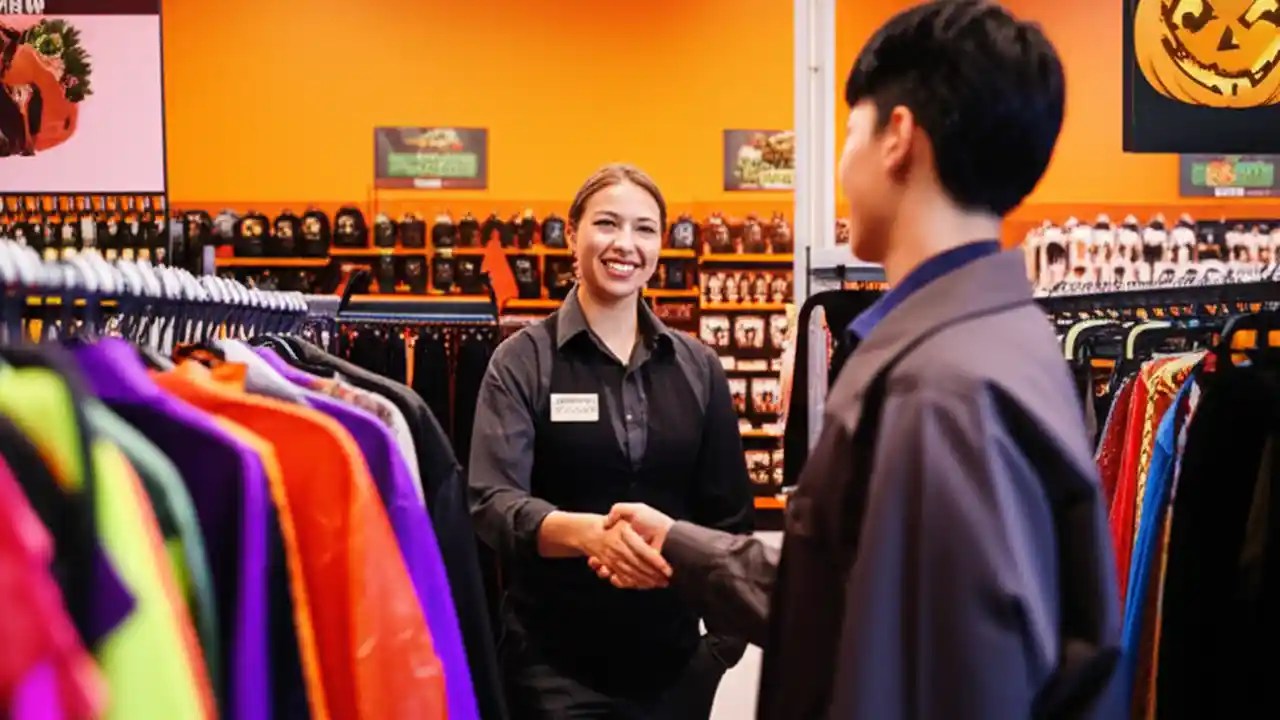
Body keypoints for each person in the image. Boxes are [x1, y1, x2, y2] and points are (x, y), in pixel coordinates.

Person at [588, 2, 1124, 719]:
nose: (841, 166)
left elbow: (954, 680)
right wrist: (687, 549)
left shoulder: (939, 388)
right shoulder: (987, 345)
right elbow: (860, 593)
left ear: (896, 138)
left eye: (849, 132)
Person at [468, 163, 754, 718]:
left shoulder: (698, 367)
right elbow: (491, 500)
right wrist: (586, 536)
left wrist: (718, 651)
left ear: (660, 245)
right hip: (552, 674)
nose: (625, 243)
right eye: (607, 223)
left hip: (674, 672)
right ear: (572, 234)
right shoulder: (522, 362)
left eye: (644, 228)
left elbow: (730, 518)